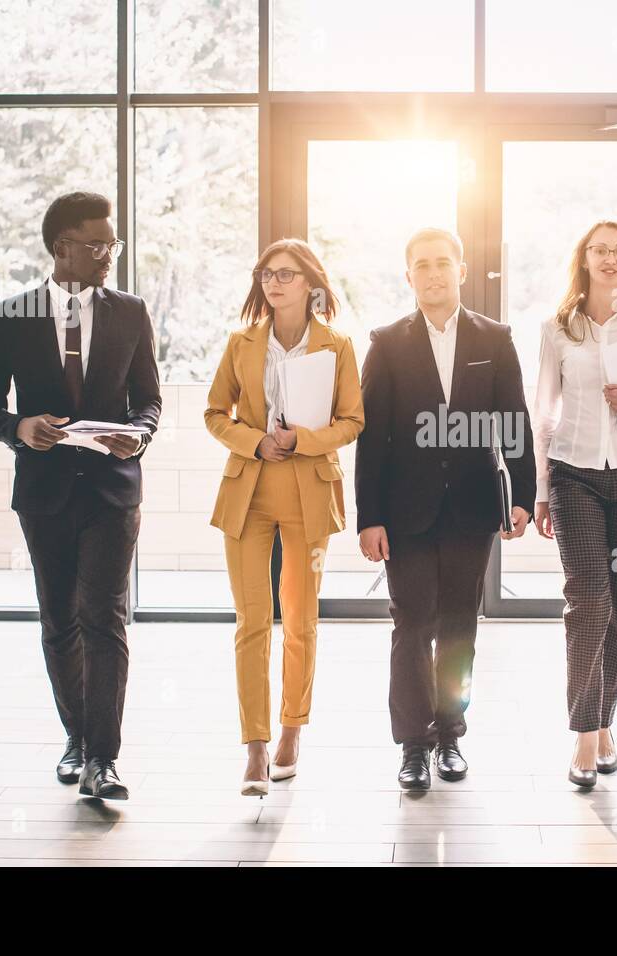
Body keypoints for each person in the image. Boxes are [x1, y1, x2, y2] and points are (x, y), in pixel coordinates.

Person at [0, 191, 161, 801]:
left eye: (113, 244)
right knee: (59, 619)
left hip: (112, 491)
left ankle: (104, 760)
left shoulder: (130, 312)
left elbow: (149, 400)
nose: (109, 255)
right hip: (44, 491)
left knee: (104, 618)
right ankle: (76, 738)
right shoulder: (11, 315)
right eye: (97, 244)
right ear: (62, 247)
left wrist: (140, 435)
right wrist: (19, 429)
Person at [355, 227, 536, 791]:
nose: (433, 273)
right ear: (408, 276)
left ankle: (451, 735)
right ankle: (413, 745)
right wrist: (369, 516)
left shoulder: (496, 338)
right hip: (404, 512)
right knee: (410, 625)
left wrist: (523, 497)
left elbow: (514, 420)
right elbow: (372, 436)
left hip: (472, 508)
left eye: (443, 263)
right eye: (421, 265)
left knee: (458, 626)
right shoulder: (386, 342)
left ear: (461, 270)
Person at [204, 239, 363, 796]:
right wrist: (253, 442)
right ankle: (254, 747)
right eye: (268, 274)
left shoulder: (336, 346)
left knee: (299, 620)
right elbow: (213, 412)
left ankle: (292, 731)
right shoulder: (240, 342)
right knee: (252, 622)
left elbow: (352, 421)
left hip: (308, 494)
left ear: (310, 284)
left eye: (287, 274)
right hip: (247, 493)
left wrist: (304, 440)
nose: (275, 283)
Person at [533, 219, 617, 789]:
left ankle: (604, 721)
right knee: (588, 600)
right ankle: (585, 733)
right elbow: (540, 413)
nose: (610, 258)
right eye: (599, 250)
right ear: (584, 259)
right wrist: (541, 491)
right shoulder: (557, 328)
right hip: (574, 478)